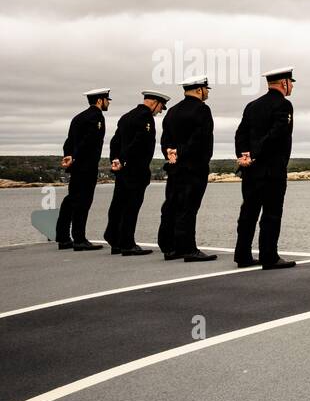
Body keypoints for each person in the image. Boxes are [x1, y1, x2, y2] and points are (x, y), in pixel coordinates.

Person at [233, 66, 297, 270]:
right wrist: (255, 154)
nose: (292, 86)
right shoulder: (284, 106)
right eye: (291, 82)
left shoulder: (252, 106)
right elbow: (277, 135)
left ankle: (242, 255)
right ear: (284, 83)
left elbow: (240, 134)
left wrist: (244, 155)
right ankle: (269, 256)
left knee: (248, 212)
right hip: (272, 170)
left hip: (250, 170)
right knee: (271, 213)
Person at [157, 76, 217, 262]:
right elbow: (200, 139)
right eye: (206, 89)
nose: (207, 92)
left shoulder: (172, 111)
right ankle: (188, 248)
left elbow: (165, 139)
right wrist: (182, 152)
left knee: (172, 205)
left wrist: (171, 154)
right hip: (194, 166)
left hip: (174, 167)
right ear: (199, 90)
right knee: (189, 208)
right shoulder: (202, 110)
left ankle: (170, 247)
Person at [104, 90, 169, 256]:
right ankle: (127, 243)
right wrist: (124, 160)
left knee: (118, 204)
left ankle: (114, 239)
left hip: (123, 170)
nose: (160, 111)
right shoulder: (145, 118)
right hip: (136, 169)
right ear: (154, 102)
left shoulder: (126, 116)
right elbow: (139, 143)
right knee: (131, 206)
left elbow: (115, 142)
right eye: (161, 106)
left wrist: (116, 160)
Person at [56, 88, 111, 251]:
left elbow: (69, 141)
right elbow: (89, 142)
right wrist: (76, 156)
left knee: (71, 200)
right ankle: (79, 239)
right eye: (107, 100)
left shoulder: (78, 117)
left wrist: (69, 155)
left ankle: (63, 237)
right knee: (83, 202)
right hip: (87, 166)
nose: (108, 103)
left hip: (76, 166)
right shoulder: (97, 117)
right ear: (100, 100)